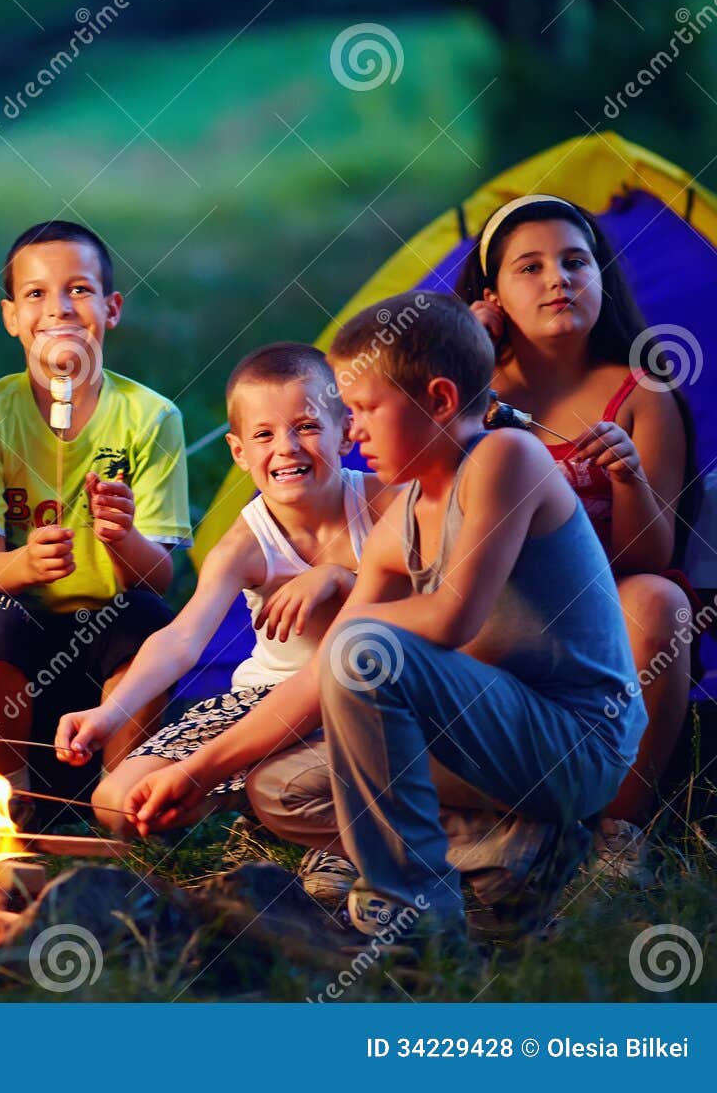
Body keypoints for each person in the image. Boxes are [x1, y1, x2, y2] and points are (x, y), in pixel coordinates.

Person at [130, 292, 646, 941]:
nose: (353, 430)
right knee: (278, 787)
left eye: (366, 409)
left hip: (574, 742)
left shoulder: (505, 458)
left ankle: (418, 910)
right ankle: (515, 851)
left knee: (365, 647)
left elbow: (454, 617)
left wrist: (349, 631)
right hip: (483, 747)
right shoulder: (396, 523)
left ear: (436, 400)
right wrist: (194, 770)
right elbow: (320, 675)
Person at [54, 343, 392, 879]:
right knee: (118, 799)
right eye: (263, 434)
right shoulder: (245, 544)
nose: (285, 448)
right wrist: (108, 715)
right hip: (266, 702)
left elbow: (419, 608)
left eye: (306, 426)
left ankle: (300, 822)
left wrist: (336, 578)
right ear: (238, 451)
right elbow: (182, 639)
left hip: (362, 699)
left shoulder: (383, 504)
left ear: (344, 430)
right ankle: (249, 806)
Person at [455, 194, 695, 875]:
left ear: (601, 277)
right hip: (495, 614)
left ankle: (617, 832)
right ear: (490, 296)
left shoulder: (642, 392)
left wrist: (627, 478)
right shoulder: (470, 392)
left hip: (601, 624)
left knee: (660, 600)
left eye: (575, 261)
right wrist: (468, 359)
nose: (558, 278)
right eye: (528, 267)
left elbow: (650, 557)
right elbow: (426, 520)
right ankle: (491, 820)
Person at [0, 220, 191, 795]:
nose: (58, 308)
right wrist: (25, 566)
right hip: (23, 645)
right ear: (11, 317)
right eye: (35, 293)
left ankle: (119, 795)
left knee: (150, 623)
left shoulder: (152, 418)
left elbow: (160, 578)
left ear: (111, 308)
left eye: (78, 289)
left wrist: (122, 537)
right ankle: (8, 797)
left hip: (111, 647)